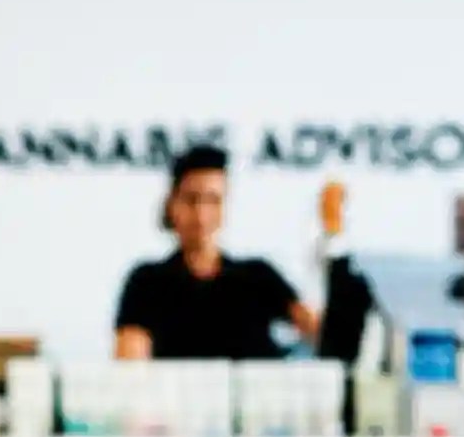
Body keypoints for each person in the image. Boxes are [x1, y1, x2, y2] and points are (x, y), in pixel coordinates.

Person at [114, 145, 318, 359]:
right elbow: (131, 372)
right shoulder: (147, 283)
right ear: (172, 205)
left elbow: (321, 332)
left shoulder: (258, 277)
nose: (201, 214)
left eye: (213, 200)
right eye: (191, 199)